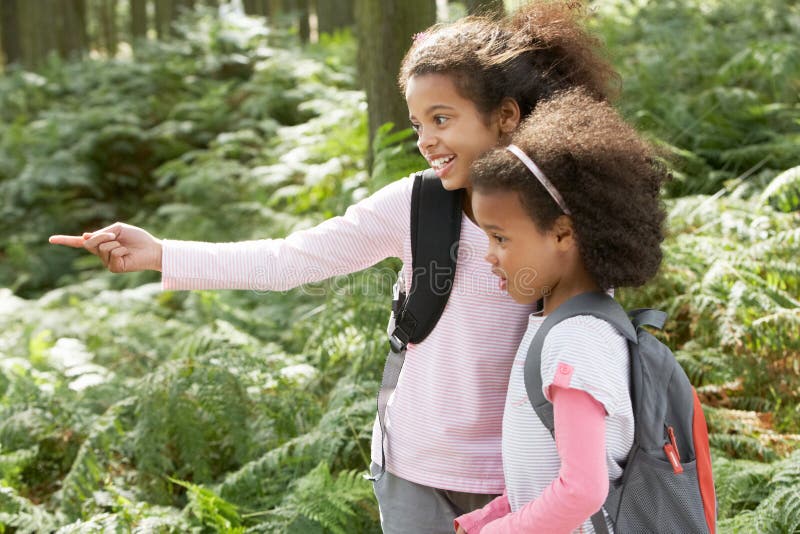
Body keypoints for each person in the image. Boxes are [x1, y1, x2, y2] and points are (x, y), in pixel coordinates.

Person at [49, 3, 619, 532]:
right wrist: (162, 254)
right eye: (418, 124)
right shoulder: (414, 203)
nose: (426, 140)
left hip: (523, 476)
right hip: (412, 472)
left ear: (505, 117)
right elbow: (293, 259)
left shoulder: (562, 220)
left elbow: (586, 338)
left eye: (441, 118)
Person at [454, 87, 668, 533]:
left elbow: (583, 489)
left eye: (501, 238)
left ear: (563, 233)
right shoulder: (562, 326)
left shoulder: (579, 341)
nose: (488, 254)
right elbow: (547, 467)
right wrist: (493, 514)